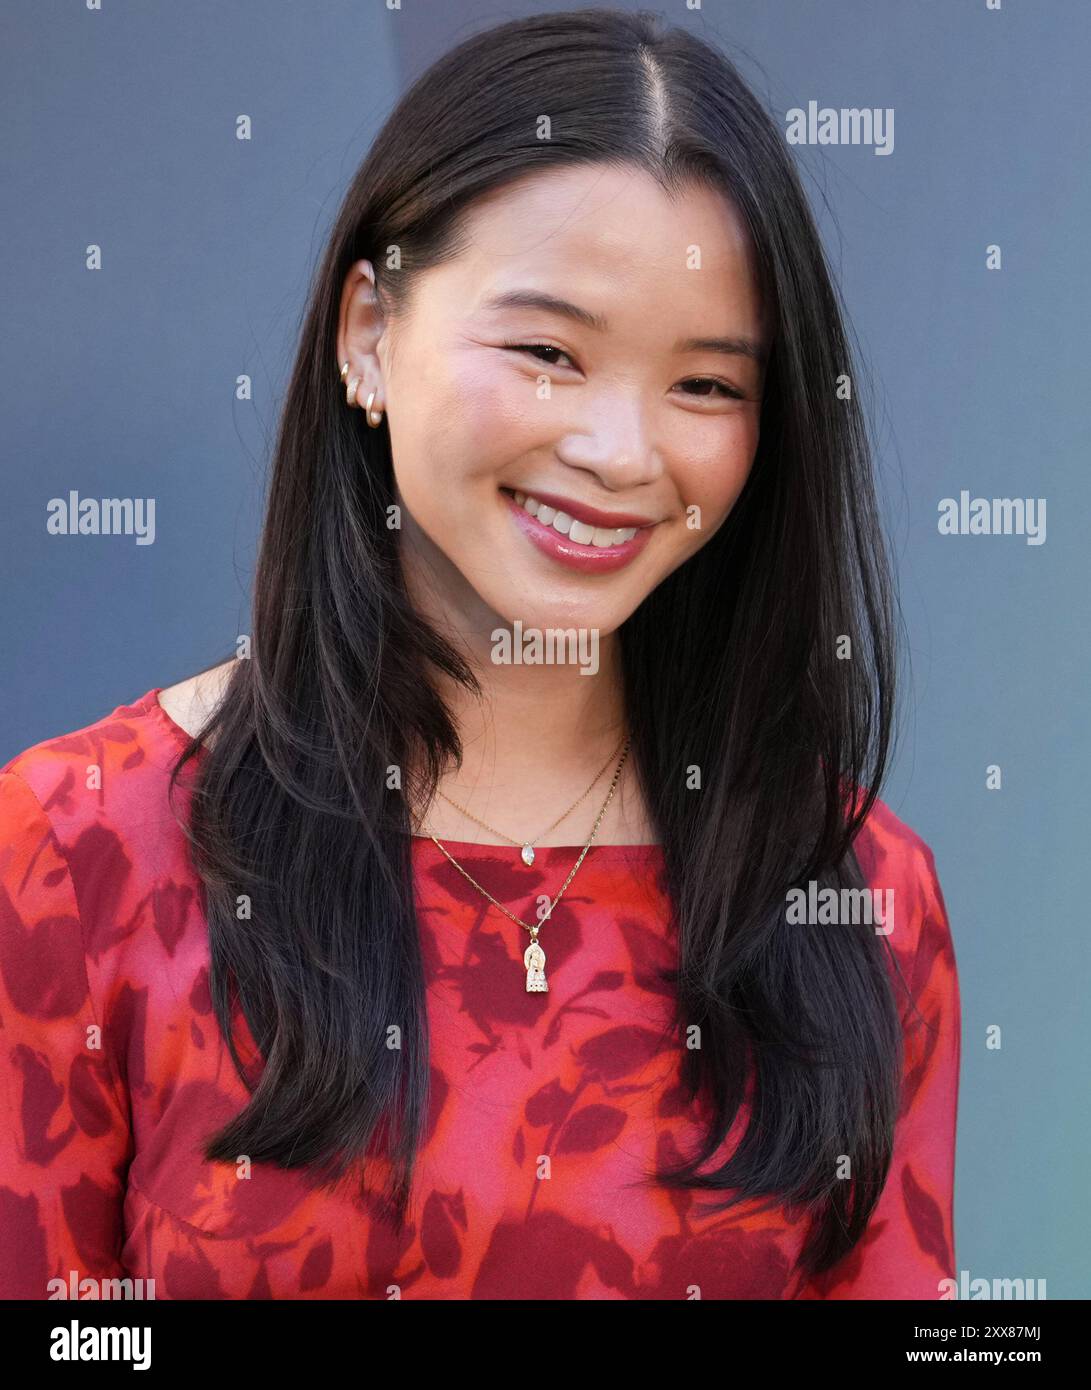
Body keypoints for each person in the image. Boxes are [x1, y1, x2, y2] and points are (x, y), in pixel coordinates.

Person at [0, 8, 959, 1299]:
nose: (623, 452)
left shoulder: (857, 896)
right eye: (550, 352)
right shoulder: (74, 851)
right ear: (368, 334)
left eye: (707, 386)